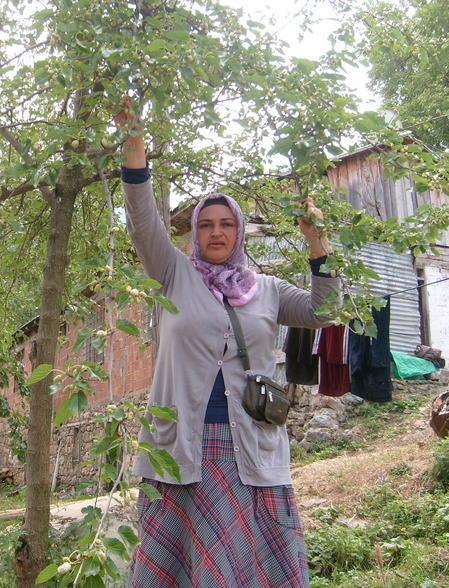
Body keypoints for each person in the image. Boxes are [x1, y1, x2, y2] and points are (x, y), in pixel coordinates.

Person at [115, 104, 340, 588]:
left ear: (238, 232)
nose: (216, 232)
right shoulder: (173, 273)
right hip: (180, 450)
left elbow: (324, 310)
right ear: (194, 232)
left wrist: (316, 243)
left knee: (242, 568)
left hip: (249, 450)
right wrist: (133, 143)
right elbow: (140, 220)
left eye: (227, 224)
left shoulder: (269, 289)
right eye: (206, 224)